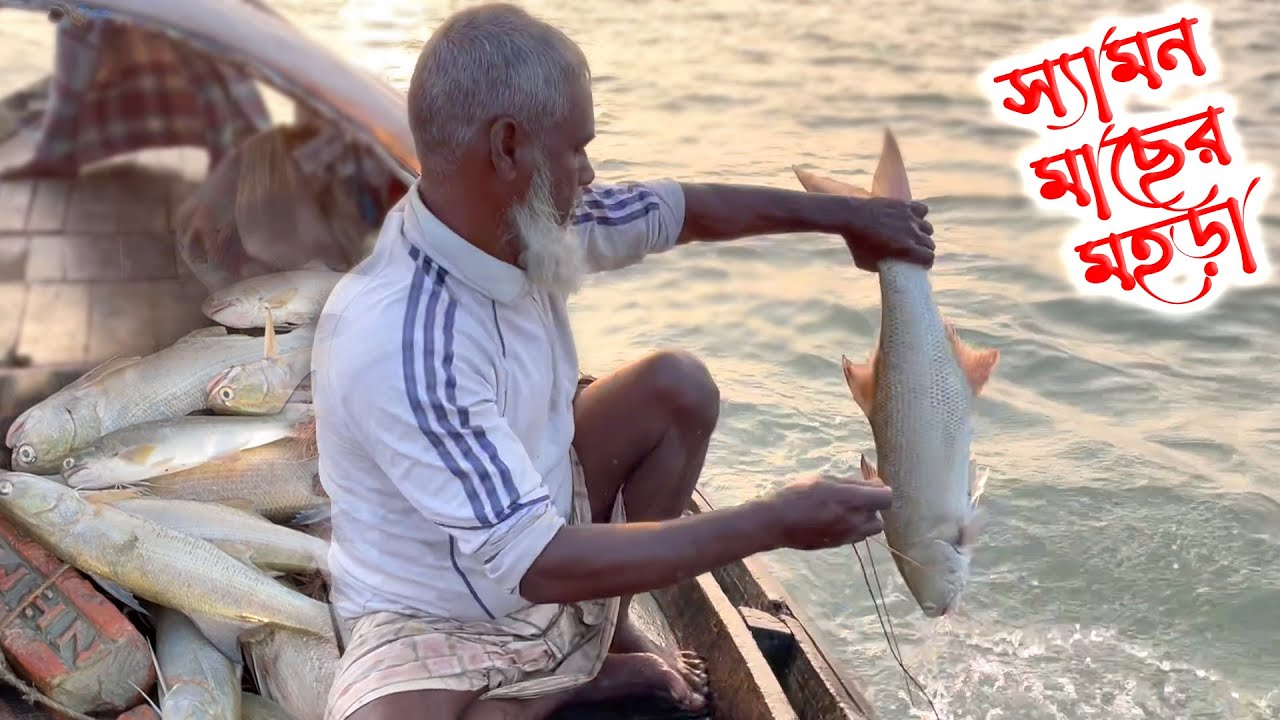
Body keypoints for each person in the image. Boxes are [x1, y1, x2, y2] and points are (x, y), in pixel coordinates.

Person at [312, 4, 935, 720]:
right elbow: (538, 565)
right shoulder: (400, 337)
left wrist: (846, 218)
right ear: (509, 147)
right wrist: (773, 522)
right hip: (437, 612)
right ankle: (574, 680)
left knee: (677, 386)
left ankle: (605, 640)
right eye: (577, 148)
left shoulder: (528, 221)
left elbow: (685, 211)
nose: (589, 171)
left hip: (541, 515)